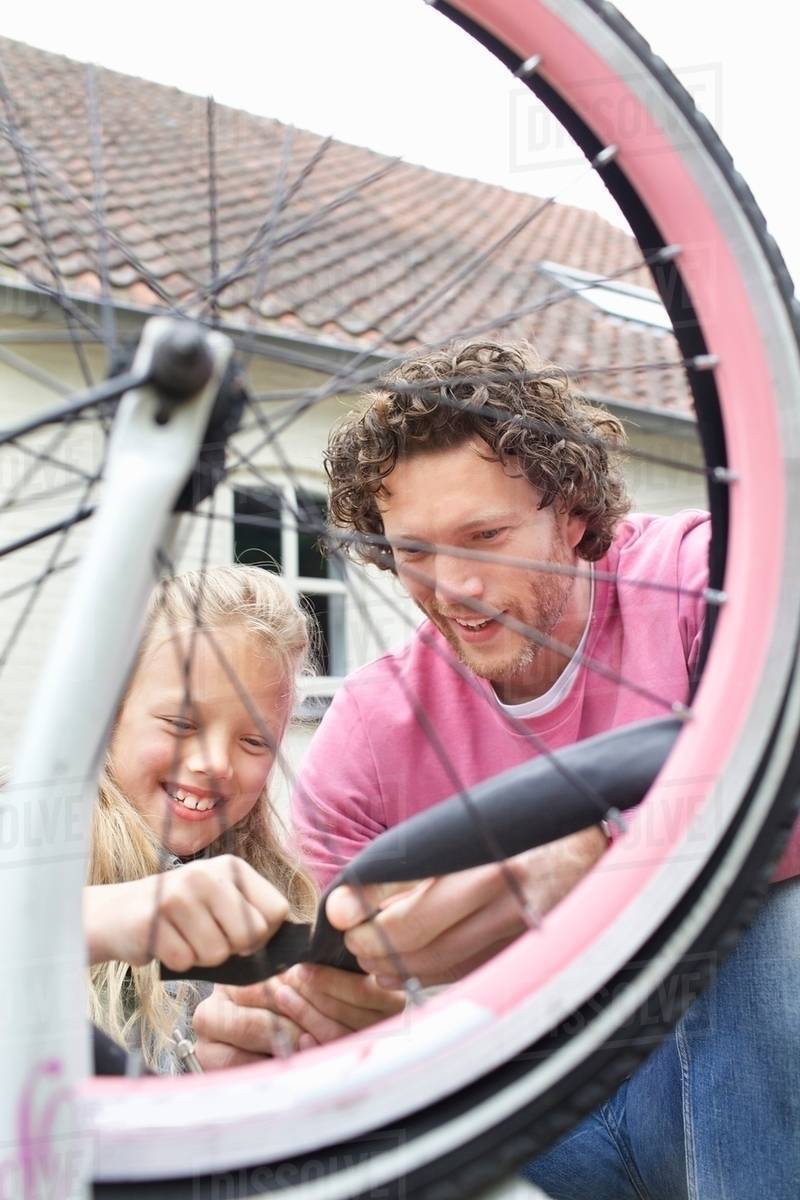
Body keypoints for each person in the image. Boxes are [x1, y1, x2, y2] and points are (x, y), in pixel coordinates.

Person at [192, 341, 799, 1199]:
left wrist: (593, 859)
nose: (454, 587)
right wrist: (302, 1019)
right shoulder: (363, 739)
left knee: (762, 895)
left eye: (487, 536)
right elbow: (345, 1001)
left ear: (576, 515)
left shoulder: (702, 579)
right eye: (415, 552)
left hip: (733, 1074)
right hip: (527, 1108)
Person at [83, 565, 319, 1072]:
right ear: (111, 709)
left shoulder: (284, 895)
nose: (215, 763)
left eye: (254, 741)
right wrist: (92, 920)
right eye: (180, 723)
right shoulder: (29, 836)